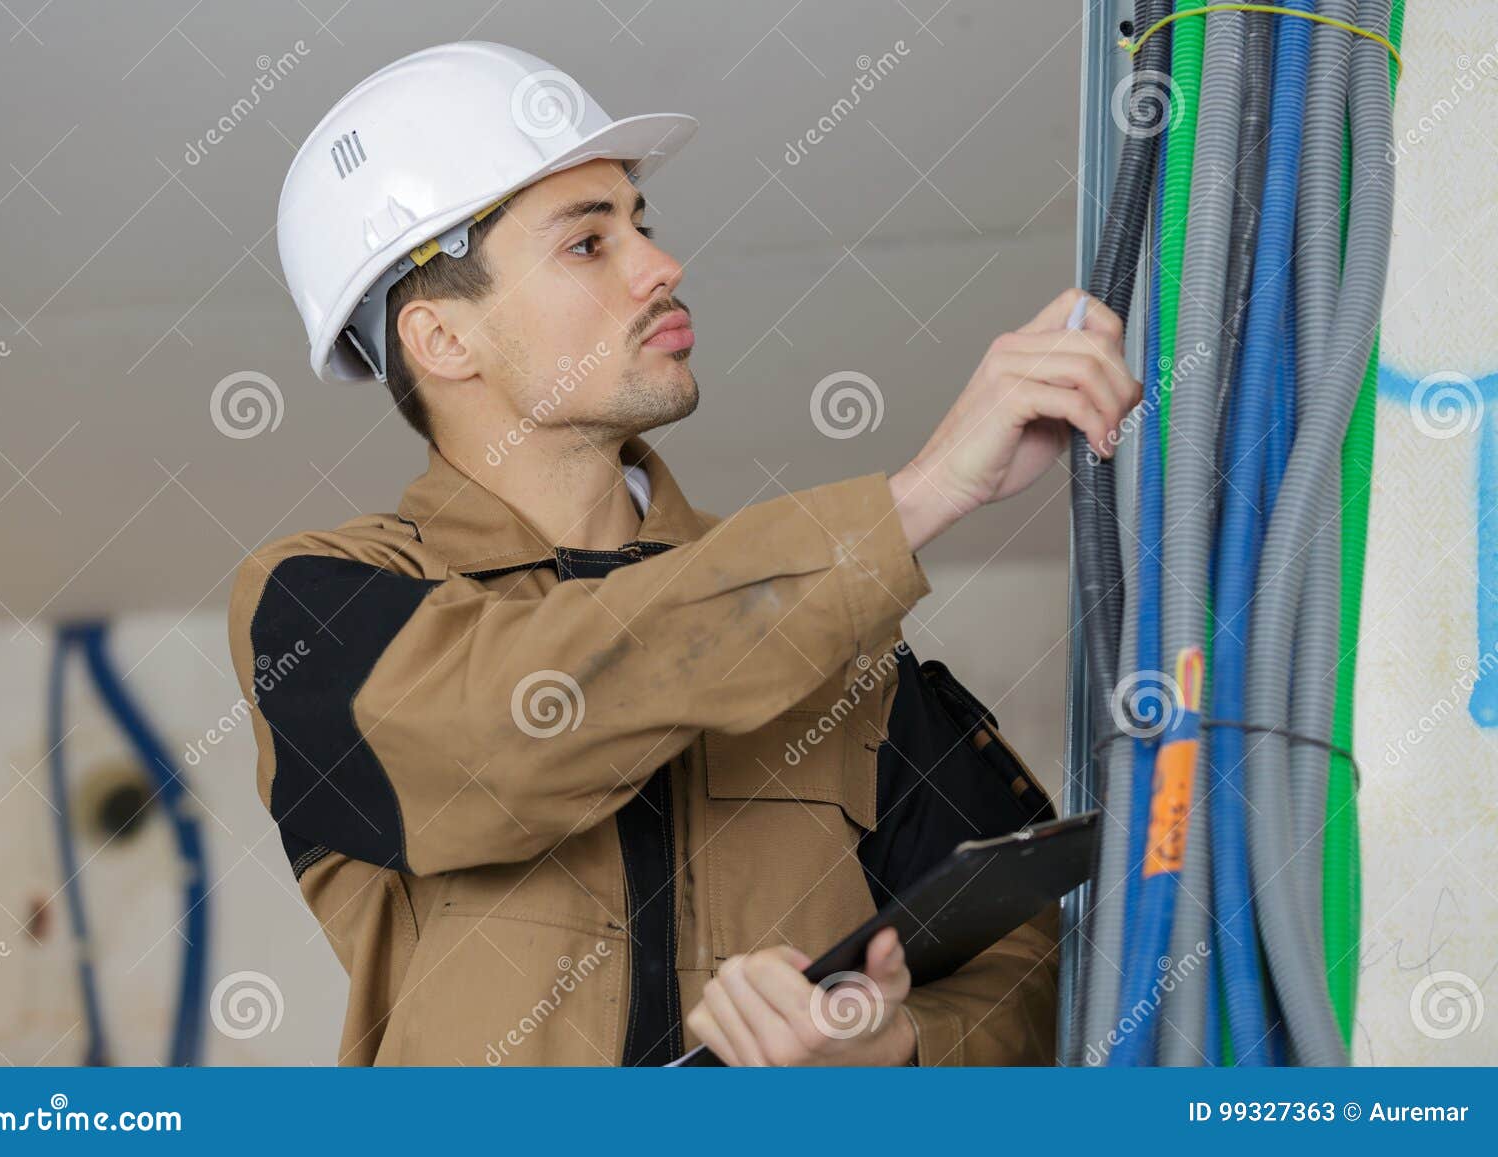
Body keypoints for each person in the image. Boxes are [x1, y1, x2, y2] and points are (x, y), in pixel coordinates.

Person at [229, 41, 1140, 1067]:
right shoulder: (319, 607)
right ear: (443, 341)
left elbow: (1025, 965)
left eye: (641, 228)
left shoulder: (837, 633)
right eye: (587, 244)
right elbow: (519, 721)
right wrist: (922, 496)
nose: (661, 267)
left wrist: (894, 1049)